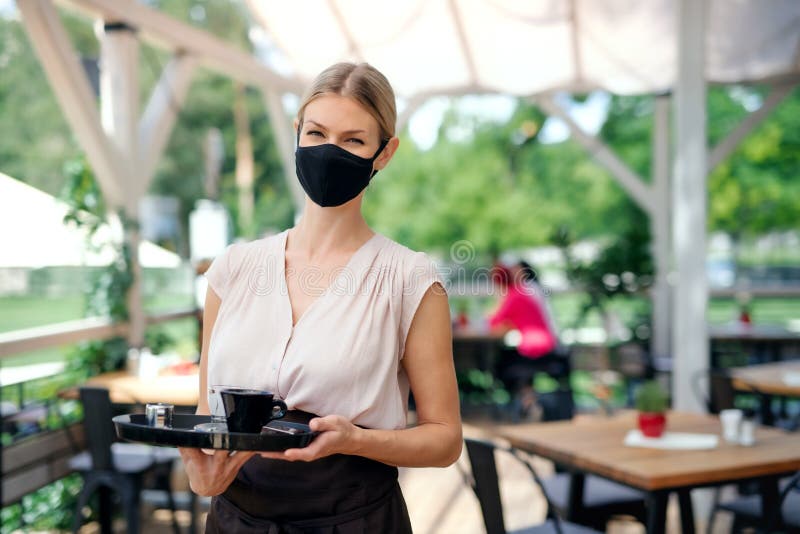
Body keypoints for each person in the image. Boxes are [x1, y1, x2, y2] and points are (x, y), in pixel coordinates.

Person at [178, 62, 462, 533]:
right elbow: (211, 420)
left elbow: (445, 440)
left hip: (352, 520)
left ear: (384, 153)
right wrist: (204, 476)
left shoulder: (410, 279)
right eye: (316, 133)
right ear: (297, 133)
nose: (330, 151)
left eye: (353, 140)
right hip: (235, 520)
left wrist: (355, 440)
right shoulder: (232, 270)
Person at [488, 260, 569, 418]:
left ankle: (527, 403)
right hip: (547, 344)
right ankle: (529, 401)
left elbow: (493, 322)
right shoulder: (525, 293)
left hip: (535, 348)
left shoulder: (515, 295)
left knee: (501, 364)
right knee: (510, 361)